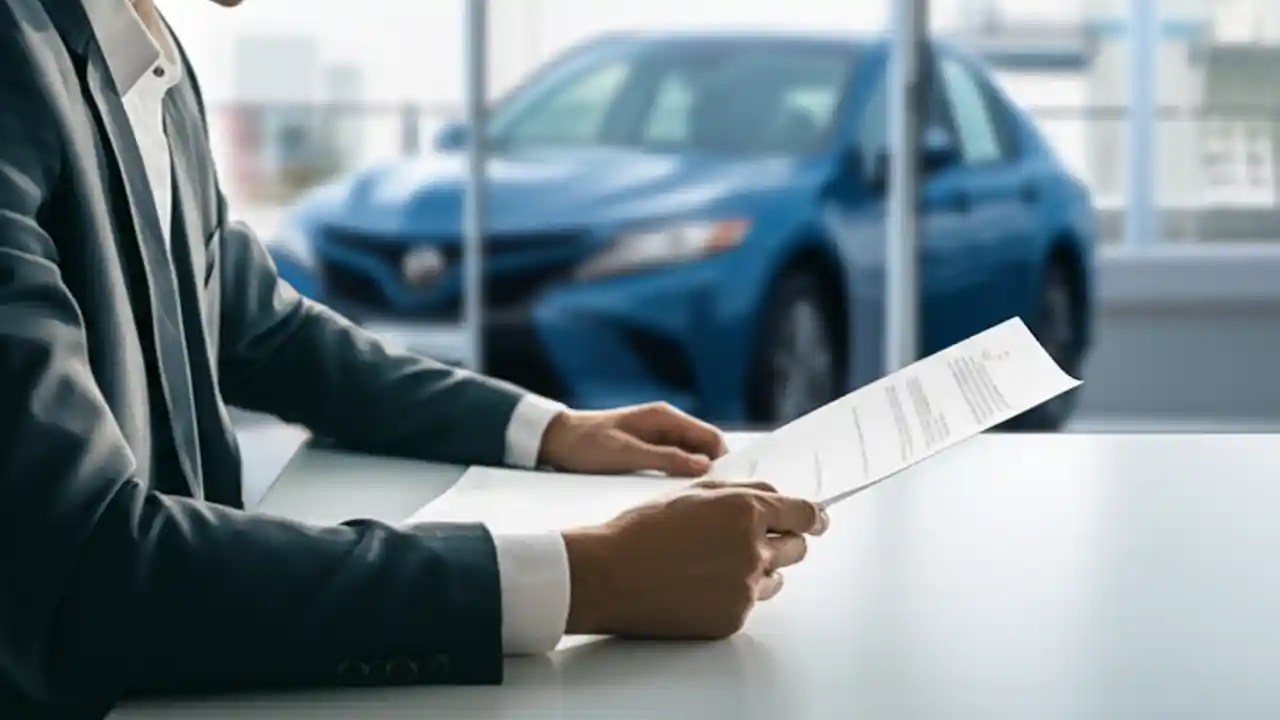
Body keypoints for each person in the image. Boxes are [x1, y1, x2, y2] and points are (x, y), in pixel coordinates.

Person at [0, 0, 831, 716]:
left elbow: (262, 330)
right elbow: (80, 569)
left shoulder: (142, 49)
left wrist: (549, 430)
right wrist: (594, 576)